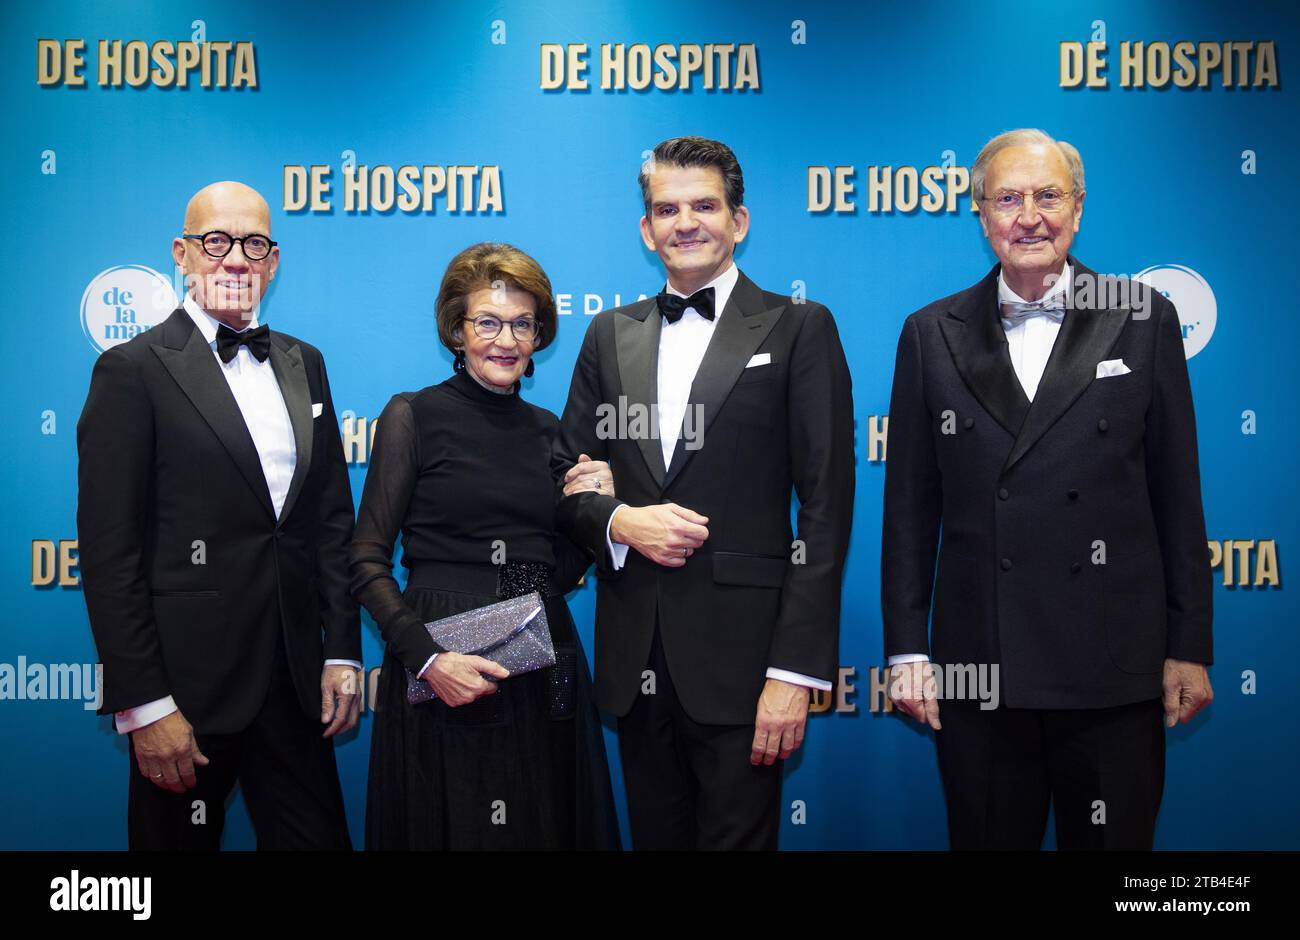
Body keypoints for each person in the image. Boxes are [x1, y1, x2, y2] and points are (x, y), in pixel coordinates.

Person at [882, 129, 1214, 850]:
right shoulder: (928, 333)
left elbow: (1177, 495)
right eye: (1007, 198)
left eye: (1047, 195)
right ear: (979, 213)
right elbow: (909, 511)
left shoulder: (1142, 316)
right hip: (982, 669)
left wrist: (1188, 645)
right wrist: (908, 652)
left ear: (1079, 207)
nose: (1028, 215)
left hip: (1114, 669)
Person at [555, 136, 855, 850]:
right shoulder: (608, 334)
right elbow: (564, 482)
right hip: (635, 658)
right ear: (645, 229)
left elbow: (826, 505)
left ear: (739, 221)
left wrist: (793, 673)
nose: (685, 223)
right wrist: (620, 520)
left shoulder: (798, 327)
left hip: (748, 665)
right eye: (666, 209)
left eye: (703, 206)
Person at [77, 181, 360, 850]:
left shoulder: (304, 363)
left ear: (273, 260)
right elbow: (109, 553)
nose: (236, 259)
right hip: (185, 696)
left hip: (296, 687)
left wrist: (342, 646)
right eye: (217, 242)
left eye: (254, 244)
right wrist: (145, 704)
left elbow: (328, 520)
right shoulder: (133, 370)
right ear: (184, 253)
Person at [349, 242, 620, 850]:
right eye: (488, 322)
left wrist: (595, 512)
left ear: (538, 335)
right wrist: (426, 658)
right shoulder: (411, 415)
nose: (506, 340)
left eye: (523, 324)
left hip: (542, 657)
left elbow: (561, 567)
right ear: (457, 329)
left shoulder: (550, 430)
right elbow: (366, 559)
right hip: (444, 657)